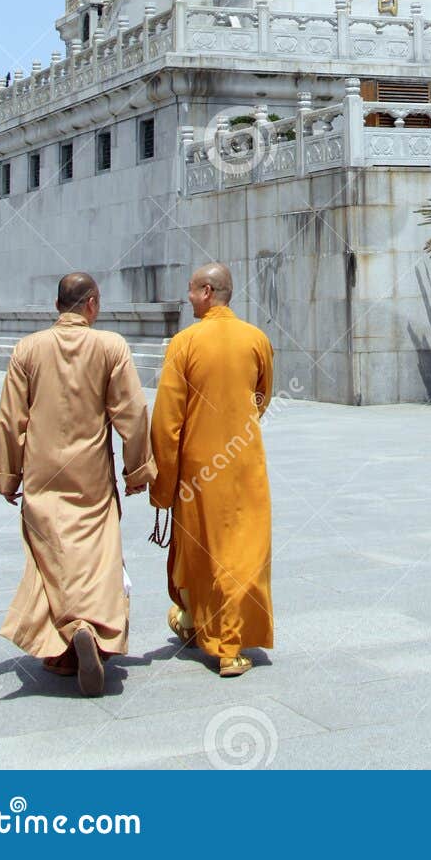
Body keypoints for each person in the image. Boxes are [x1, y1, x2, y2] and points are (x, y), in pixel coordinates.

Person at [0, 271, 155, 696]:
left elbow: (12, 419)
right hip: (91, 476)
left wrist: (7, 476)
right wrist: (138, 471)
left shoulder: (28, 348)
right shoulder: (110, 346)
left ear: (58, 305)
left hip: (42, 474)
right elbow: (131, 414)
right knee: (96, 558)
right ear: (92, 304)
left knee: (50, 557)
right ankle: (89, 628)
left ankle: (62, 651)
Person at [150, 263, 273, 677]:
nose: (188, 298)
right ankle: (215, 633)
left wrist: (162, 483)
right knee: (244, 547)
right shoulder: (257, 340)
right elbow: (261, 397)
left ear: (207, 291)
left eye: (191, 290)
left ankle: (217, 637)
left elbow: (167, 420)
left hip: (198, 464)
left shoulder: (184, 343)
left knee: (201, 548)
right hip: (244, 459)